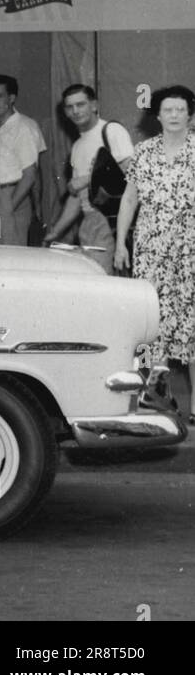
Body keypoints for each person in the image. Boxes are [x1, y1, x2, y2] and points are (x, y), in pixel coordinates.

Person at [114, 85, 195, 424]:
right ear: (157, 115)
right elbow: (129, 200)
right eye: (168, 110)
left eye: (180, 110)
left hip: (190, 253)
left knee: (192, 326)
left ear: (190, 116)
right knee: (149, 327)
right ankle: (152, 396)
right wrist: (121, 243)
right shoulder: (143, 152)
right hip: (150, 252)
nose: (174, 115)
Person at [42, 83, 134, 273]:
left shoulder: (111, 131)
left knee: (105, 280)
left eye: (81, 104)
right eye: (69, 107)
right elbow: (76, 197)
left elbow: (130, 167)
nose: (75, 111)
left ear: (94, 105)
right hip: (90, 221)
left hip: (111, 220)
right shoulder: (77, 147)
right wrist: (56, 231)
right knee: (95, 277)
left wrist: (85, 179)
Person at [0, 74, 46, 246]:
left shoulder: (23, 127)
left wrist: (9, 207)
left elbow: (30, 175)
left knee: (10, 255)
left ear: (11, 98)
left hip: (10, 198)